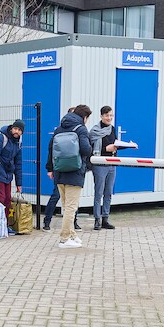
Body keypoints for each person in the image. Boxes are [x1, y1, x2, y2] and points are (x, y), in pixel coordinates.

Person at [45, 107, 93, 249]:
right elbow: (85, 149)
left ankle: (72, 235)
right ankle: (64, 239)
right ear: (84, 117)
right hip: (75, 172)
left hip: (60, 172)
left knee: (67, 207)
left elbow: (50, 149)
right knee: (71, 208)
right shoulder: (81, 129)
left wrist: (50, 168)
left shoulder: (59, 129)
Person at [43, 107, 82, 233]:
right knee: (58, 197)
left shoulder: (71, 131)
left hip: (64, 169)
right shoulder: (61, 131)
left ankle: (73, 224)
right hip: (60, 169)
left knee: (71, 201)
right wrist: (49, 168)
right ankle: (47, 221)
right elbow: (51, 150)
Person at [0, 119, 25, 228]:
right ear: (12, 128)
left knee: (7, 200)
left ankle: (4, 225)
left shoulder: (18, 143)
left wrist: (19, 184)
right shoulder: (0, 139)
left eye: (20, 130)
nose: (17, 131)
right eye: (15, 129)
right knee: (1, 200)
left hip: (8, 175)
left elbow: (18, 165)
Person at [90, 106, 120, 230]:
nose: (109, 118)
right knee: (99, 192)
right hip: (99, 165)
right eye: (107, 115)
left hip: (112, 164)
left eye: (111, 115)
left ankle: (105, 219)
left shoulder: (112, 129)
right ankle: (97, 220)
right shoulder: (94, 131)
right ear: (101, 116)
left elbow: (115, 144)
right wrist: (105, 149)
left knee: (108, 192)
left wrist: (128, 146)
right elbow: (90, 149)